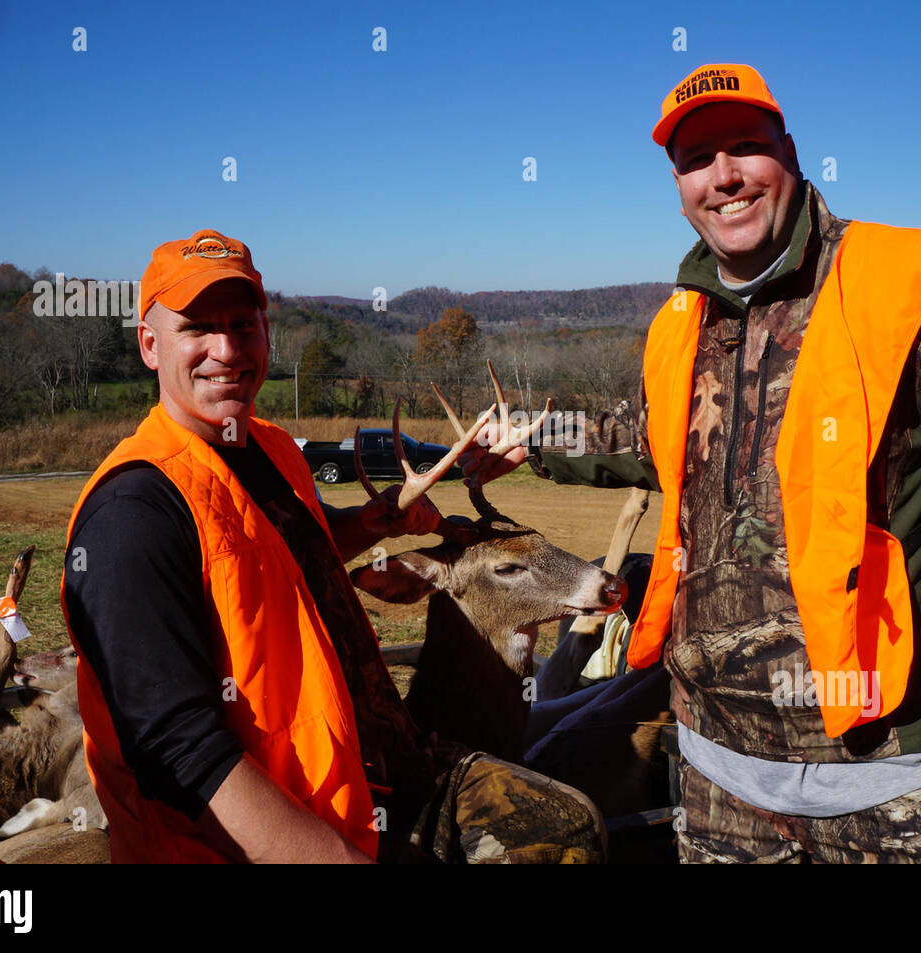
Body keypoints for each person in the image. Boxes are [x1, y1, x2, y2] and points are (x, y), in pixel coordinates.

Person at [462, 65, 921, 863]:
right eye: (696, 159)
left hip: (898, 783)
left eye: (745, 147)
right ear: (678, 183)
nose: (723, 177)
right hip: (723, 785)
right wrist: (534, 439)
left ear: (789, 151)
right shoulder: (681, 322)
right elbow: (651, 436)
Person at [62, 229, 604, 864]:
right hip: (260, 834)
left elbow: (284, 552)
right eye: (197, 327)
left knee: (569, 829)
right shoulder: (135, 512)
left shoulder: (270, 450)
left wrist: (376, 523)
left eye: (243, 323)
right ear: (151, 346)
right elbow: (179, 753)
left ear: (266, 333)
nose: (227, 349)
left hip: (367, 773)